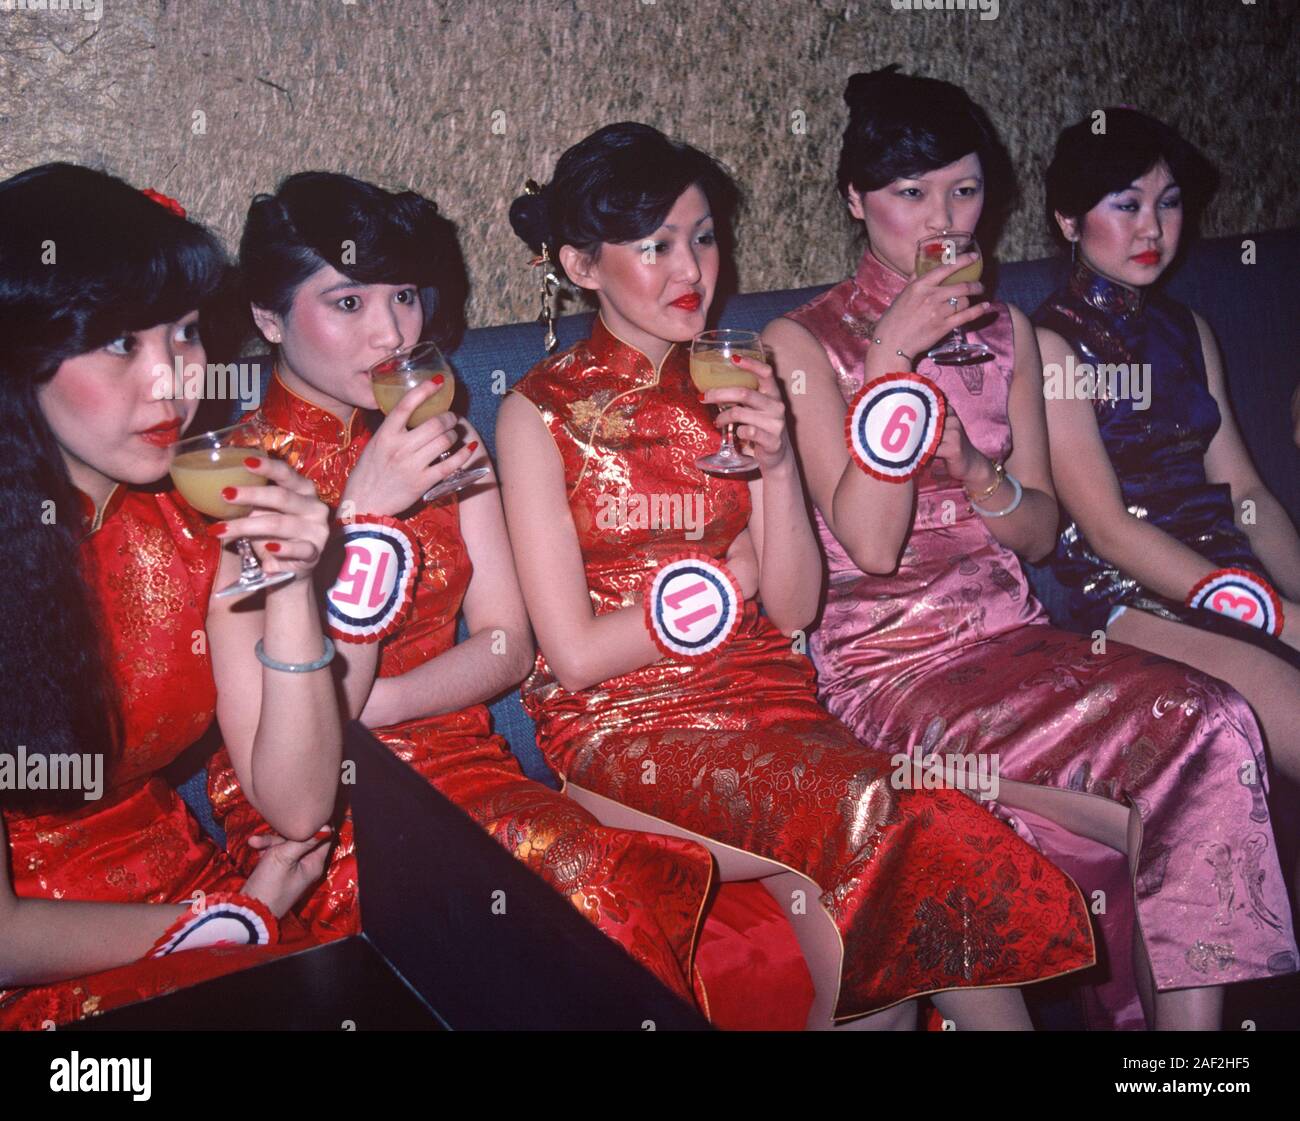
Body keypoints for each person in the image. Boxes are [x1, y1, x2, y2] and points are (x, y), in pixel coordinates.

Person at [498, 121, 1096, 1030]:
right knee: (901, 816)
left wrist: (777, 469)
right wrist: (728, 575)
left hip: (777, 709)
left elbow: (796, 605)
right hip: (625, 731)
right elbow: (574, 658)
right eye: (653, 246)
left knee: (878, 978)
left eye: (702, 237)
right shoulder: (539, 411)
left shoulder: (744, 372)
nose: (690, 268)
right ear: (582, 265)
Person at [764, 68, 1297, 1030]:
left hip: (1016, 640)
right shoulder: (800, 345)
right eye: (910, 193)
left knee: (1217, 722)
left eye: (965, 191)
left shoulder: (1010, 329)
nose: (945, 220)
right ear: (855, 200)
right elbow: (873, 549)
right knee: (1169, 799)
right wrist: (891, 358)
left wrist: (977, 471)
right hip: (891, 671)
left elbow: (1043, 530)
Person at [205, 172, 788, 1018]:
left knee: (604, 891)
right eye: (348, 303)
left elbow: (510, 646)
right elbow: (290, 763)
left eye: (403, 296)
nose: (392, 331)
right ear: (267, 318)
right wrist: (365, 514)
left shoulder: (451, 437)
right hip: (325, 811)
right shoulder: (243, 480)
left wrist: (379, 700)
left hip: (466, 766)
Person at [0, 164, 339, 1029]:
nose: (174, 381)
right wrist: (228, 922)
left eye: (184, 333)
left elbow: (297, 804)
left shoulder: (192, 521)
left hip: (190, 888)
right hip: (54, 960)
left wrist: (290, 579)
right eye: (122, 342)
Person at [1032, 108, 1300, 812]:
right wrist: (1281, 617)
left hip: (1229, 571)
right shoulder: (1050, 347)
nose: (1153, 228)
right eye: (1127, 204)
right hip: (1126, 597)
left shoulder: (1189, 330)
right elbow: (1108, 529)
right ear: (1067, 219)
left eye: (1169, 203)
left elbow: (1246, 491)